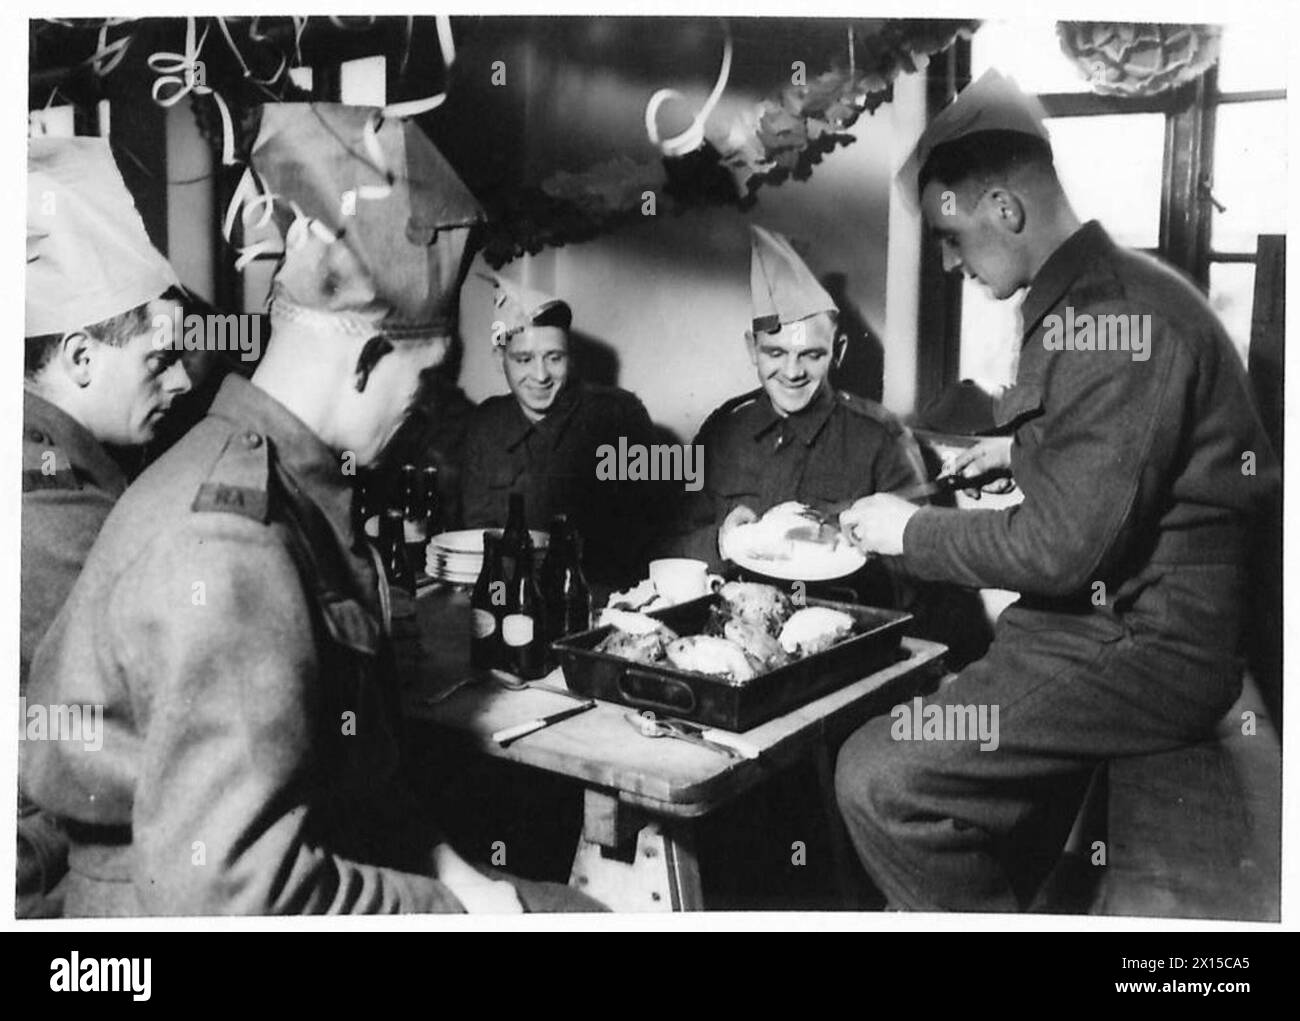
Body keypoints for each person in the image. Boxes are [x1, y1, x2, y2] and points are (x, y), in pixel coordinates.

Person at [23, 104, 599, 916]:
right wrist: (453, 912)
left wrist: (466, 881)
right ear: (366, 359)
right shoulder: (229, 546)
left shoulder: (269, 482)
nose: (427, 411)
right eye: (425, 380)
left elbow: (353, 772)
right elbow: (234, 898)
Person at [834, 70, 1280, 911]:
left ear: (1004, 209)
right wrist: (1017, 452)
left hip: (1147, 646)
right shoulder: (1102, 300)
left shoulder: (1117, 319)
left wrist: (906, 533)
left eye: (951, 235)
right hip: (1103, 624)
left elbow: (1062, 549)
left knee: (878, 775)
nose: (945, 258)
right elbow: (1109, 446)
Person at [19, 137, 193, 916]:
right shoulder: (50, 500)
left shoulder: (61, 456)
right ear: (83, 358)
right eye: (161, 359)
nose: (183, 379)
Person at [665, 224, 925, 594]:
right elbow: (672, 545)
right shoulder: (722, 433)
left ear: (840, 350)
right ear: (752, 349)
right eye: (775, 353)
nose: (792, 372)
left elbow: (920, 572)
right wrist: (722, 542)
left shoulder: (879, 438)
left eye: (811, 354)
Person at [460, 275, 661, 588]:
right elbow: (475, 538)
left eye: (554, 358)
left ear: (571, 358)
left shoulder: (620, 417)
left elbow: (651, 536)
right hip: (509, 596)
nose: (540, 376)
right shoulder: (485, 424)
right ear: (501, 360)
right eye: (524, 359)